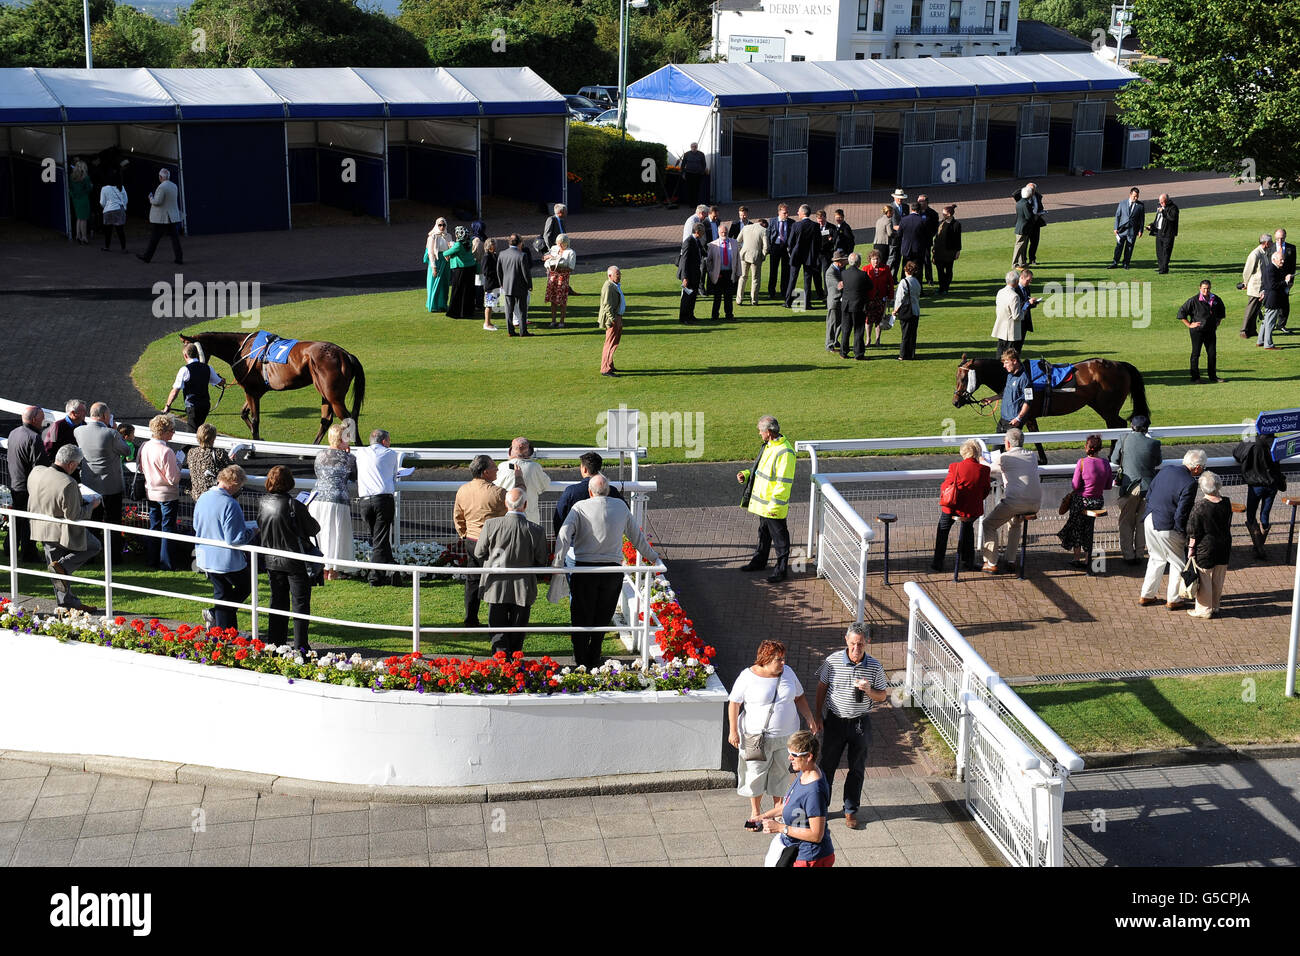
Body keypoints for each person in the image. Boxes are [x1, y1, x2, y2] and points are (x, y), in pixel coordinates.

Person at [551, 474, 658, 669]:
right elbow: (637, 537)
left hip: (584, 570)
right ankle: (593, 655)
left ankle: (581, 657)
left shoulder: (579, 507)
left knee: (581, 615)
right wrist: (654, 558)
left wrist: (557, 563)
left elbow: (564, 535)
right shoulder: (620, 506)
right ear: (607, 490)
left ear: (590, 491)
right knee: (603, 614)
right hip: (611, 572)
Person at [727, 639, 819, 820]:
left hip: (787, 736)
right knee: (755, 773)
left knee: (781, 772)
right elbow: (734, 703)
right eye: (779, 659)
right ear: (766, 659)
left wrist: (809, 718)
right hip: (755, 737)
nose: (783, 663)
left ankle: (778, 809)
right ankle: (756, 811)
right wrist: (733, 731)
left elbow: (799, 697)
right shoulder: (747, 677)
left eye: (784, 658)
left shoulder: (789, 673)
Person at [815, 623, 888, 830]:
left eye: (861, 645)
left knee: (857, 767)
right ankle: (821, 808)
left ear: (868, 643)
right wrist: (818, 715)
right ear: (846, 640)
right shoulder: (832, 661)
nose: (857, 649)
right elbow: (822, 687)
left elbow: (882, 695)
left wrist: (869, 690)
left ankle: (851, 810)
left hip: (860, 722)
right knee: (827, 766)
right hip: (835, 720)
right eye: (853, 643)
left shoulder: (875, 666)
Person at [474, 487, 549, 656]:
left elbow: (479, 552)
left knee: (497, 627)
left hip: (495, 585)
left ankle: (500, 659)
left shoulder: (491, 525)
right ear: (525, 505)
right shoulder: (536, 530)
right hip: (523, 587)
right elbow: (542, 560)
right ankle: (514, 659)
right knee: (518, 627)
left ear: (506, 504)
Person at [28, 445, 102, 611]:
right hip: (61, 531)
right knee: (94, 546)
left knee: (56, 570)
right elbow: (74, 515)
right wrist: (92, 505)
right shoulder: (68, 483)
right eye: (77, 464)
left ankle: (68, 604)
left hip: (40, 527)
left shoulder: (37, 471)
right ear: (71, 464)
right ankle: (63, 567)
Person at [257, 465, 320, 651]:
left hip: (271, 559)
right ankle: (301, 646)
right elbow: (314, 529)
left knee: (277, 602)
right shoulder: (294, 505)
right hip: (295, 562)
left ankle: (276, 644)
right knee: (299, 604)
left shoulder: (262, 502)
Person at [193, 464, 257, 631]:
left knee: (222, 593)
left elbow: (196, 525)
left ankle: (225, 631)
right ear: (234, 484)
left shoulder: (203, 497)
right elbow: (235, 538)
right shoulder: (230, 504)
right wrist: (253, 531)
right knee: (246, 586)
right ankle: (219, 619)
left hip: (205, 554)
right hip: (226, 560)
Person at [1139, 449, 1206, 609]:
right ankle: (1174, 599)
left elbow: (1149, 493)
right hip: (1167, 525)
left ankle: (1146, 595)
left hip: (1150, 519)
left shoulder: (1167, 469)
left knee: (1156, 558)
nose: (1203, 470)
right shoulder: (1190, 483)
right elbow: (1181, 513)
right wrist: (1182, 532)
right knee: (1177, 563)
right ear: (1197, 468)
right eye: (1203, 467)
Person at [736, 415, 797, 583]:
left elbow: (783, 483)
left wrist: (774, 506)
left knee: (780, 539)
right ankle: (759, 562)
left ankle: (781, 570)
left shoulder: (785, 452)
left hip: (772, 506)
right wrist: (746, 474)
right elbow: (761, 469)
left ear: (769, 432)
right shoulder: (770, 446)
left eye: (760, 431)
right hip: (764, 504)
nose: (759, 434)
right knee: (763, 533)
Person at [454, 454, 508, 629]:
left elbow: (458, 516)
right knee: (496, 581)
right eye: (494, 467)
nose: (497, 469)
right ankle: (496, 621)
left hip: (471, 540)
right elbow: (517, 507)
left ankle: (471, 618)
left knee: (472, 581)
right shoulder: (498, 493)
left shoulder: (463, 490)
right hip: (493, 543)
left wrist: (464, 534)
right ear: (485, 472)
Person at [980, 427, 1042, 573]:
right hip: (1035, 503)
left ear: (1007, 443)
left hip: (1015, 502)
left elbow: (989, 469)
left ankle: (991, 562)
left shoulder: (1004, 457)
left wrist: (982, 460)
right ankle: (1010, 560)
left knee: (988, 524)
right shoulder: (1032, 455)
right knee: (1014, 523)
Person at [75, 402, 131, 557]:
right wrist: (115, 431)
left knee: (92, 521)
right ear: (105, 416)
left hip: (89, 485)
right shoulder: (111, 433)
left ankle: (90, 555)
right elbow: (126, 450)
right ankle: (114, 556)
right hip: (111, 486)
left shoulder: (78, 431)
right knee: (113, 521)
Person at [931, 438, 991, 573]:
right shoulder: (984, 470)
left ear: (963, 453)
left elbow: (946, 486)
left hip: (952, 506)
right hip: (971, 509)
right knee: (968, 529)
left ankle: (938, 562)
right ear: (977, 453)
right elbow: (986, 491)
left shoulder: (955, 467)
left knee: (943, 531)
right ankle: (968, 561)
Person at [1110, 415, 1161, 566]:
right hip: (1148, 487)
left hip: (1129, 488)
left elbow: (1114, 459)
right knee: (1142, 522)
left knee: (1126, 522)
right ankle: (1140, 553)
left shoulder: (1123, 439)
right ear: (1146, 428)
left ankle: (1128, 555)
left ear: (1132, 426)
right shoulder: (1154, 443)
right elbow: (1158, 462)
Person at [310, 422, 357, 581]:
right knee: (335, 534)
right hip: (337, 500)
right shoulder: (349, 458)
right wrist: (348, 455)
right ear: (342, 439)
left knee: (321, 535)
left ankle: (323, 570)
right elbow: (353, 477)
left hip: (317, 499)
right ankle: (332, 572)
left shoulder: (320, 454)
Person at [1057, 434, 1113, 566]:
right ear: (1099, 448)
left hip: (1082, 501)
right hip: (1098, 502)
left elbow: (1075, 486)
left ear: (1086, 447)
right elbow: (1108, 486)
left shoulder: (1081, 462)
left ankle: (1076, 557)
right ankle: (1088, 559)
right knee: (1088, 528)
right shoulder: (1105, 463)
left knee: (1077, 527)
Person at [354, 428, 400, 587]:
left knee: (378, 539)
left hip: (365, 502)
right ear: (384, 441)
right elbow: (395, 476)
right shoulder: (391, 454)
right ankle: (375, 577)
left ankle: (393, 571)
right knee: (380, 540)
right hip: (383, 501)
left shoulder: (360, 453)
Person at [1233, 431, 1287, 560]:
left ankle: (1259, 548)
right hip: (1272, 484)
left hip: (1255, 484)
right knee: (1265, 515)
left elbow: (1236, 454)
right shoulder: (1276, 442)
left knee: (1251, 517)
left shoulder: (1251, 440)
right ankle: (1259, 547)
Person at [1185, 471, 1231, 619]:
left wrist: (1191, 549)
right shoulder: (1226, 503)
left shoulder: (1200, 506)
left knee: (1204, 578)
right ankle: (1215, 605)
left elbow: (1193, 531)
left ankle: (1204, 609)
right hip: (1224, 545)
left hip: (1206, 547)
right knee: (1218, 577)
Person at [6, 405, 49, 562]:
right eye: (42, 418)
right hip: (28, 486)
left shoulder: (13, 433)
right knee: (28, 522)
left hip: (15, 482)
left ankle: (9, 547)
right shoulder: (34, 437)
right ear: (34, 419)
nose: (43, 421)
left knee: (17, 519)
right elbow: (40, 466)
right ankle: (28, 553)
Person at [138, 414, 180, 572]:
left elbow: (142, 468)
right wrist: (179, 463)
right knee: (168, 528)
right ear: (163, 432)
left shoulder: (144, 446)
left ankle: (151, 560)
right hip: (167, 495)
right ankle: (166, 564)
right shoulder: (167, 451)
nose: (173, 433)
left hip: (151, 492)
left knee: (154, 526)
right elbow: (173, 479)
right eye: (172, 430)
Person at [553, 452, 623, 538]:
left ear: (585, 469)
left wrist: (560, 538)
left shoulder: (571, 491)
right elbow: (625, 511)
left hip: (575, 544)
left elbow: (559, 517)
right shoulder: (612, 491)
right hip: (606, 543)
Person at [164, 343, 227, 430]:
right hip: (205, 406)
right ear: (197, 353)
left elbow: (175, 391)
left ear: (185, 355)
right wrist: (223, 380)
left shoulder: (184, 370)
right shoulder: (208, 367)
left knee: (191, 434)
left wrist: (168, 405)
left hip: (193, 407)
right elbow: (220, 382)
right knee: (198, 430)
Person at [494, 436, 552, 527]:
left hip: (505, 519)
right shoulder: (535, 467)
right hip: (530, 520)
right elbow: (546, 485)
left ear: (510, 452)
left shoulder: (502, 466)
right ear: (529, 453)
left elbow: (494, 487)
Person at [1178, 279, 1226, 383]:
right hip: (1197, 331)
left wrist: (1218, 321)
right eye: (1204, 288)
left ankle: (1213, 377)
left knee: (1212, 354)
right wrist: (1190, 324)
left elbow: (1222, 311)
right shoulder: (1193, 300)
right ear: (1200, 288)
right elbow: (1182, 313)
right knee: (1196, 354)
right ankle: (1195, 378)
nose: (1206, 291)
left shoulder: (1216, 299)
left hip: (1210, 331)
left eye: (1208, 288)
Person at [136, 167, 182, 265]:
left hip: (162, 217)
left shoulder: (162, 187)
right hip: (172, 216)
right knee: (175, 238)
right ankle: (179, 258)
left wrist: (151, 198)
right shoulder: (174, 186)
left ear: (161, 177)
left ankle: (147, 257)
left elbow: (158, 202)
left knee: (155, 238)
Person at [497, 234, 534, 337]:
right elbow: (526, 273)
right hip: (521, 287)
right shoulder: (522, 255)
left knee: (509, 311)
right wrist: (529, 285)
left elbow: (499, 271)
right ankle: (523, 331)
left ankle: (510, 331)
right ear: (520, 243)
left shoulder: (502, 254)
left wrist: (502, 284)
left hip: (507, 287)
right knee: (522, 310)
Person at [184, 422, 231, 502]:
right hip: (213, 496)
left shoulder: (191, 452)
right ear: (213, 438)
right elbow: (232, 469)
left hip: (197, 496)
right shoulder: (219, 453)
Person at [784, 204, 819, 309]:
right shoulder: (815, 226)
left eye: (799, 211)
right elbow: (818, 242)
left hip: (797, 255)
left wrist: (792, 251)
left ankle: (788, 301)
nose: (797, 213)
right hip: (809, 256)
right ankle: (807, 303)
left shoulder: (796, 225)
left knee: (792, 278)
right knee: (807, 280)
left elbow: (790, 242)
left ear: (803, 212)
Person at [839, 251, 870, 360]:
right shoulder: (863, 274)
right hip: (858, 306)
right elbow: (870, 286)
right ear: (859, 263)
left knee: (846, 330)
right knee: (858, 330)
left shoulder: (844, 273)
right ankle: (858, 353)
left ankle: (843, 352)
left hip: (846, 305)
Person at [443, 225, 479, 320]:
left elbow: (445, 253)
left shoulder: (458, 245)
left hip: (461, 270)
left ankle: (455, 312)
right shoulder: (469, 242)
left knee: (457, 290)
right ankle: (467, 311)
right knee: (468, 290)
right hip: (470, 268)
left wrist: (450, 246)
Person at [1239, 233, 1270, 339]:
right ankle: (1243, 330)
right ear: (1266, 243)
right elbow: (1247, 270)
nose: (1272, 244)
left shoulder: (1265, 252)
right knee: (1250, 309)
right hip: (1255, 286)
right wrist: (1245, 283)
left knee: (1256, 309)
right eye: (1270, 242)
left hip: (1262, 286)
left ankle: (1252, 330)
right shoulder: (1255, 254)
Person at [542, 233, 576, 328]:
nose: (559, 246)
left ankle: (562, 321)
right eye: (558, 243)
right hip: (552, 277)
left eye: (561, 244)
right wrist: (548, 259)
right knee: (553, 299)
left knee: (562, 300)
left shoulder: (571, 252)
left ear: (566, 243)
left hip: (563, 278)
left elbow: (571, 268)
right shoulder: (554, 248)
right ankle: (553, 320)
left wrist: (559, 268)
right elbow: (544, 258)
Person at [1259, 247, 1290, 349]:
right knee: (1270, 323)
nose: (1283, 261)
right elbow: (1273, 286)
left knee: (1266, 321)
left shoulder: (1271, 268)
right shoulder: (1272, 269)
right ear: (1274, 259)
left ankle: (1261, 341)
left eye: (1283, 259)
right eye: (1280, 259)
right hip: (1273, 299)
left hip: (1270, 298)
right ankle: (1268, 344)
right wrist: (1285, 281)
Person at [996, 348, 1033, 434]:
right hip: (1003, 419)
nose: (1004, 366)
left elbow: (1029, 401)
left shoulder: (1025, 379)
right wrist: (992, 399)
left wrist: (1018, 418)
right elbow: (1006, 393)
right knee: (996, 447)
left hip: (1013, 422)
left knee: (1010, 447)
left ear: (1014, 361)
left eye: (1006, 363)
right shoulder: (1010, 375)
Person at [707, 224, 739, 321]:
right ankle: (714, 315)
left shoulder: (734, 242)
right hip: (719, 274)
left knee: (728, 296)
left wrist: (738, 273)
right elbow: (709, 261)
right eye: (722, 232)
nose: (724, 234)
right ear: (718, 233)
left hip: (729, 273)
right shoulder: (712, 245)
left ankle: (729, 314)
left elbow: (737, 259)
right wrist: (712, 273)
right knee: (717, 296)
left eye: (725, 232)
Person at [675, 221, 706, 324]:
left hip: (695, 273)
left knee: (693, 296)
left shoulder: (696, 241)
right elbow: (684, 261)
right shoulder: (688, 241)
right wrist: (685, 277)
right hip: (689, 275)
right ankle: (683, 318)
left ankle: (690, 315)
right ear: (697, 231)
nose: (703, 234)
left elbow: (702, 252)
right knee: (687, 297)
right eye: (702, 232)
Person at [1267, 228, 1296, 333]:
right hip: (1274, 279)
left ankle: (1281, 325)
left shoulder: (1291, 248)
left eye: (1282, 238)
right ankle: (1270, 324)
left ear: (1285, 237)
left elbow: (1293, 266)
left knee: (1285, 304)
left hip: (1286, 280)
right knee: (1273, 302)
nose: (1280, 241)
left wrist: (1291, 281)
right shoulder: (1270, 248)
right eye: (1278, 239)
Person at [599, 265, 626, 376]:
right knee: (609, 344)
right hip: (613, 319)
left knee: (614, 343)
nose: (619, 276)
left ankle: (610, 364)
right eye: (617, 274)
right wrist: (613, 319)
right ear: (610, 275)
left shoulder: (614, 285)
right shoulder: (608, 286)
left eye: (619, 274)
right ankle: (605, 368)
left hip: (617, 317)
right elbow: (607, 305)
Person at [737, 215, 769, 307]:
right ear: (764, 225)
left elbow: (738, 241)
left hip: (743, 255)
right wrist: (762, 256)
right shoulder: (764, 230)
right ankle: (754, 300)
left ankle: (739, 299)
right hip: (756, 257)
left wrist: (740, 251)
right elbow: (766, 247)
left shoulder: (746, 227)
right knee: (755, 279)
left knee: (742, 277)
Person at [1109, 186, 1144, 269]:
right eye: (1134, 196)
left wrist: (1140, 230)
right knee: (1119, 246)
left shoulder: (1140, 205)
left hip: (1132, 230)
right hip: (1122, 230)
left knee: (1129, 247)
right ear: (1130, 195)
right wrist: (1115, 228)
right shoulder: (1122, 203)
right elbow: (1117, 216)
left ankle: (1126, 263)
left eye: (1137, 196)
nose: (1135, 198)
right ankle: (1115, 262)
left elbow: (1142, 219)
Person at [992, 270, 1026, 358]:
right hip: (1010, 330)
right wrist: (1024, 311)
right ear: (1017, 282)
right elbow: (1016, 316)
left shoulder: (1000, 292)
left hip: (1001, 327)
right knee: (1009, 356)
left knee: (1000, 353)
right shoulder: (1014, 296)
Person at [863, 247, 893, 347]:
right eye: (873, 259)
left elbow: (891, 284)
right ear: (870, 259)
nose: (875, 261)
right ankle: (868, 339)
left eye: (877, 259)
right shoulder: (865, 269)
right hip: (869, 299)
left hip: (881, 298)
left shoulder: (886, 268)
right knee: (868, 319)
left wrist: (890, 296)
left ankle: (877, 340)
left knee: (879, 319)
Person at [892, 260, 921, 361]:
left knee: (905, 334)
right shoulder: (916, 282)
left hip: (907, 311)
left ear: (906, 270)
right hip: (916, 310)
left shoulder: (904, 282)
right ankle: (911, 353)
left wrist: (895, 310)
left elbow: (900, 298)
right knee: (913, 334)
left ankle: (903, 354)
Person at [932, 203, 961, 295]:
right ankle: (941, 287)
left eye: (944, 213)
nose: (943, 215)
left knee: (948, 270)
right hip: (939, 251)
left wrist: (958, 251)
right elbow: (937, 236)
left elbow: (958, 238)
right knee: (940, 270)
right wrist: (934, 249)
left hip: (949, 251)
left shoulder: (956, 224)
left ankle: (946, 288)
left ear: (949, 214)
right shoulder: (942, 222)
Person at [896, 206, 929, 287]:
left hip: (906, 248)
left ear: (912, 209)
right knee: (918, 269)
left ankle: (904, 287)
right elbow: (926, 235)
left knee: (905, 268)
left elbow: (899, 234)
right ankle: (919, 289)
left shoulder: (904, 219)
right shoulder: (922, 220)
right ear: (919, 210)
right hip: (918, 249)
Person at [424, 218, 451, 313]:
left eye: (443, 225)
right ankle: (433, 305)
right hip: (436, 262)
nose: (442, 227)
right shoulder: (432, 237)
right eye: (440, 225)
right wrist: (433, 266)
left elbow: (450, 248)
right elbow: (431, 252)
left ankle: (442, 304)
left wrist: (449, 255)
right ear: (436, 225)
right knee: (434, 284)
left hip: (445, 262)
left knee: (444, 284)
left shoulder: (448, 236)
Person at [766, 204, 792, 300]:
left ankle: (784, 291)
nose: (787, 215)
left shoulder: (791, 222)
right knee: (773, 270)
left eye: (787, 212)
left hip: (785, 248)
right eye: (784, 213)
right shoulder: (772, 221)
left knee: (786, 271)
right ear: (779, 212)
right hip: (775, 247)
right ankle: (771, 292)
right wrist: (769, 247)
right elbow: (768, 234)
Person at [98, 169, 128, 253]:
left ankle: (107, 247)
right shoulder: (121, 187)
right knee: (120, 230)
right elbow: (125, 200)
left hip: (108, 211)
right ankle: (123, 248)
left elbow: (102, 202)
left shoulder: (104, 188)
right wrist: (123, 207)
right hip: (118, 210)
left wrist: (106, 207)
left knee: (108, 230)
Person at [914, 194, 939, 285]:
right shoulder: (916, 212)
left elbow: (935, 228)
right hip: (916, 241)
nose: (919, 203)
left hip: (926, 241)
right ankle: (916, 278)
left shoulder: (933, 214)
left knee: (926, 260)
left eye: (922, 201)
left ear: (926, 202)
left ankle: (929, 279)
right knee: (916, 260)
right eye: (919, 201)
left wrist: (928, 236)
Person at [1151, 193, 1179, 274]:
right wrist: (1151, 226)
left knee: (1166, 252)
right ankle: (1161, 267)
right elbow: (1158, 220)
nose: (1161, 203)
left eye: (1162, 202)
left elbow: (1172, 218)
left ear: (1167, 201)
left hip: (1168, 234)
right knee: (1159, 252)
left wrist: (1163, 211)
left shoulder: (1173, 207)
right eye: (1160, 202)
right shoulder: (1160, 207)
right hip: (1159, 232)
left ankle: (1164, 269)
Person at [824, 251, 846, 352]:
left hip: (839, 301)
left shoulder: (838, 270)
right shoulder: (831, 272)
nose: (845, 262)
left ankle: (835, 341)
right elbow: (840, 285)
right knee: (832, 324)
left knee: (840, 323)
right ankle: (829, 345)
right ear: (838, 261)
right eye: (843, 260)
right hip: (834, 301)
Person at [69, 160, 93, 245]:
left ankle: (78, 235)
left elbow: (70, 189)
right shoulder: (86, 178)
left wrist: (73, 195)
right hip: (83, 199)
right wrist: (91, 186)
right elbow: (88, 189)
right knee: (84, 219)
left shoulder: (72, 177)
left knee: (78, 218)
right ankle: (84, 237)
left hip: (75, 199)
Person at [1012, 184, 1036, 269]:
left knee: (1022, 245)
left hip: (1020, 227)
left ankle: (1021, 263)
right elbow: (1028, 216)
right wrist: (1035, 216)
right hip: (1023, 227)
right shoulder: (1025, 204)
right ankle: (1015, 263)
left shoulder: (1019, 202)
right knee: (1019, 246)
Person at [480, 237, 500, 332]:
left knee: (492, 304)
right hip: (490, 284)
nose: (495, 246)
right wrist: (496, 273)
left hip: (495, 283)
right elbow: (485, 271)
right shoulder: (486, 257)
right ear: (489, 246)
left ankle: (489, 322)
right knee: (489, 304)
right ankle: (486, 323)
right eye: (493, 244)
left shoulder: (494, 255)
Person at [887, 189, 909, 278]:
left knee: (899, 258)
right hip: (894, 238)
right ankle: (890, 277)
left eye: (901, 198)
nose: (900, 200)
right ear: (894, 197)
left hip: (903, 237)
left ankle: (896, 277)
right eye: (898, 198)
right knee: (892, 258)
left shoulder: (906, 207)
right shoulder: (890, 207)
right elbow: (892, 224)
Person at [813, 209, 833, 302]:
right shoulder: (814, 227)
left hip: (826, 255)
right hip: (816, 254)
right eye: (819, 221)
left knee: (826, 274)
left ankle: (826, 294)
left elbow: (833, 240)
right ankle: (819, 293)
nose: (820, 223)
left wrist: (830, 240)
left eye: (822, 221)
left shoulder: (831, 227)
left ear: (825, 218)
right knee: (816, 274)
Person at [679, 143, 707, 207]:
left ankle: (696, 203)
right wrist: (683, 173)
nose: (694, 148)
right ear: (690, 147)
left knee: (697, 189)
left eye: (695, 146)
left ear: (697, 147)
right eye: (692, 146)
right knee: (690, 189)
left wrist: (702, 172)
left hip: (698, 174)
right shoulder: (686, 154)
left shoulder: (701, 154)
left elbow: (704, 164)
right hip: (689, 174)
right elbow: (683, 164)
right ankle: (690, 204)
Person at [872, 203, 895, 268]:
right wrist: (896, 234)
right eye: (892, 212)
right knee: (883, 263)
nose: (893, 214)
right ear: (889, 212)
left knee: (876, 262)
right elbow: (890, 233)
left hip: (876, 243)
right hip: (884, 244)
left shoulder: (879, 220)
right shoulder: (888, 221)